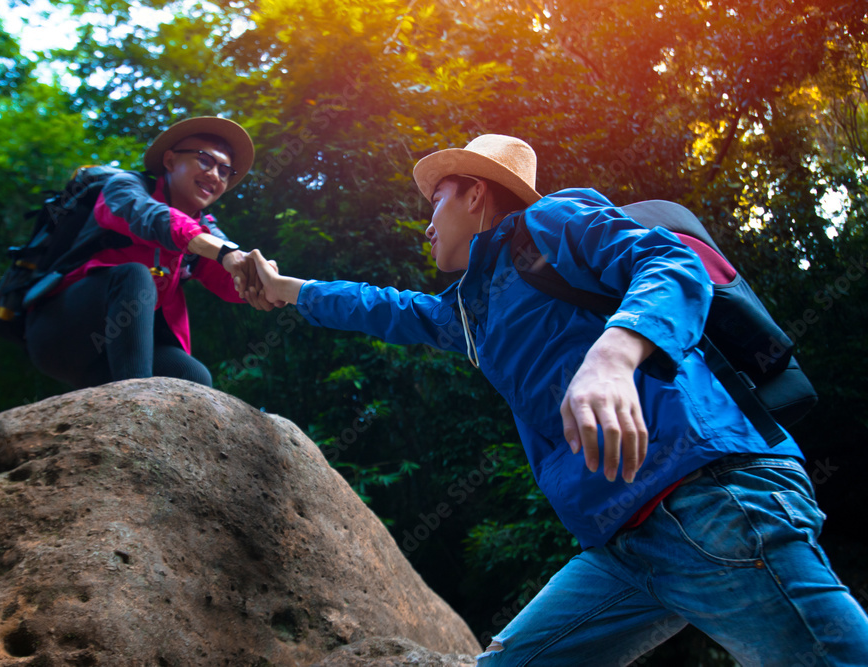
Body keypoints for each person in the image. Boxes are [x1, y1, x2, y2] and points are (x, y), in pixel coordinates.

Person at [246, 135, 868, 665]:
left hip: (709, 494)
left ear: (475, 194)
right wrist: (287, 289)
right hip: (621, 548)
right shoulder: (469, 312)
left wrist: (613, 355)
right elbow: (379, 306)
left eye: (436, 201)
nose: (427, 223)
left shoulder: (550, 224)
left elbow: (670, 260)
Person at [26, 116, 273, 389]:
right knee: (134, 276)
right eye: (205, 160)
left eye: (224, 171)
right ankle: (137, 404)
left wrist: (263, 283)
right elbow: (152, 218)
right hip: (60, 334)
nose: (215, 175)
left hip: (113, 356)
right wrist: (223, 251)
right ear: (170, 160)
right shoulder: (124, 187)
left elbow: (230, 277)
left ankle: (131, 398)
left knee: (192, 377)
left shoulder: (206, 229)